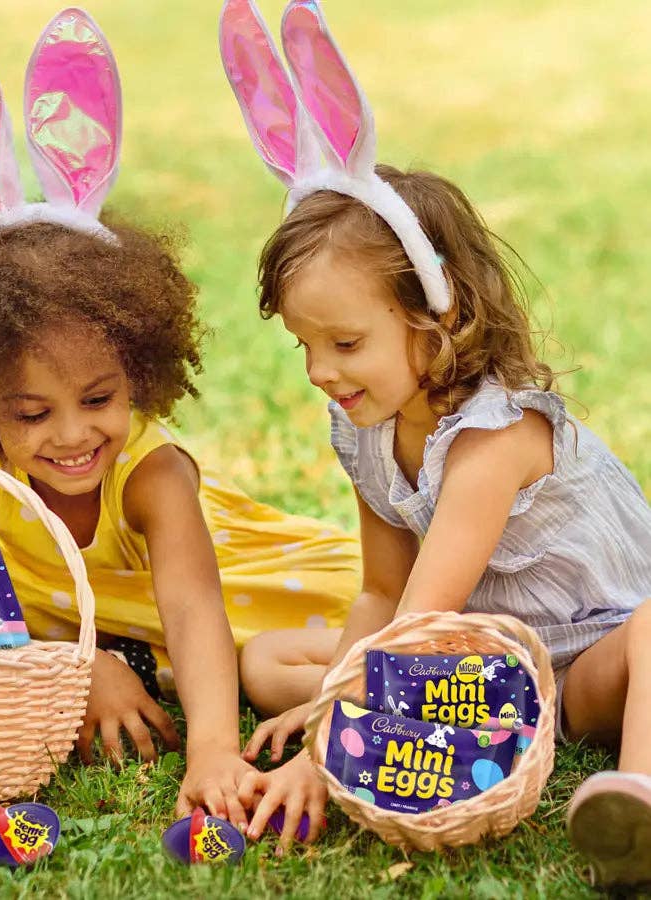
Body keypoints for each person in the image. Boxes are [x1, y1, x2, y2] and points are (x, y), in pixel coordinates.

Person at [0, 11, 361, 827]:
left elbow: (193, 609)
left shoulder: (152, 473)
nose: (71, 436)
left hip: (195, 585)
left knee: (304, 633)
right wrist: (78, 665)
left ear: (137, 371)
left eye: (99, 400)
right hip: (56, 612)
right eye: (33, 412)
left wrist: (211, 748)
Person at [220, 0, 651, 879]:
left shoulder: (497, 438)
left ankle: (634, 796)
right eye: (304, 346)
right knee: (265, 662)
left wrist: (323, 746)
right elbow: (383, 592)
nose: (320, 371)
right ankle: (460, 718)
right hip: (487, 675)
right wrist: (332, 700)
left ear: (437, 315)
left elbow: (419, 618)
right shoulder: (365, 430)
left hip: (593, 664)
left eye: (346, 343)